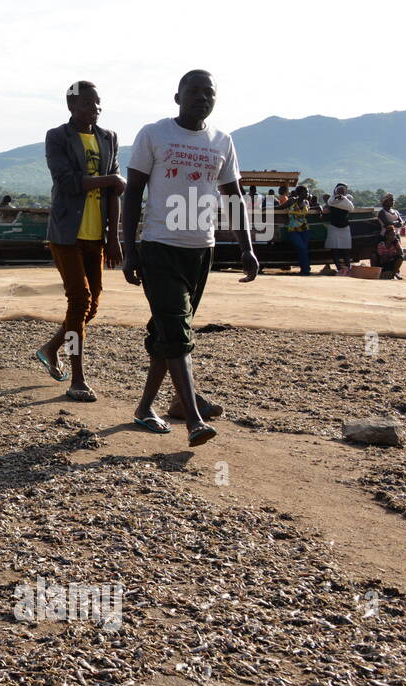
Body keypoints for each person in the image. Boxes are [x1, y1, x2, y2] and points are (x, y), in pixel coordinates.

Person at [122, 70, 259, 446]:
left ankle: (145, 408)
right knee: (178, 332)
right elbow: (132, 193)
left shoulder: (222, 140)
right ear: (177, 96)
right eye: (193, 91)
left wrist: (246, 245)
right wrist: (128, 248)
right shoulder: (154, 134)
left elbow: (233, 197)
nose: (202, 97)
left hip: (202, 250)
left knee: (167, 333)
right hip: (159, 246)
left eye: (208, 92)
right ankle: (194, 419)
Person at [36, 81, 125, 402]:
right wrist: (111, 179)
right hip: (66, 234)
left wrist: (114, 238)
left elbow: (115, 193)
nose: (96, 108)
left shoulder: (108, 138)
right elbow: (67, 181)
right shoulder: (57, 137)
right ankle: (77, 377)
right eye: (88, 103)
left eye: (99, 103)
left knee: (92, 305)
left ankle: (50, 347)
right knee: (80, 302)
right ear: (72, 106)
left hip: (96, 237)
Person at [279, 185, 312, 275]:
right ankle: (306, 269)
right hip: (293, 230)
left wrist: (319, 208)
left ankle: (305, 270)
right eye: (305, 191)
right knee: (302, 248)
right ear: (299, 193)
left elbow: (310, 210)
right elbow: (279, 207)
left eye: (307, 192)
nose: (307, 193)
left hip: (305, 230)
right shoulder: (292, 200)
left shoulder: (306, 202)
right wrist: (265, 209)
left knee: (303, 249)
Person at [324, 184, 355, 275]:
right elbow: (330, 204)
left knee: (345, 250)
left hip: (345, 227)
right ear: (336, 191)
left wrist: (343, 199)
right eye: (339, 190)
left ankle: (348, 268)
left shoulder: (347, 200)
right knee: (334, 249)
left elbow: (351, 208)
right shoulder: (332, 199)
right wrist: (338, 199)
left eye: (342, 191)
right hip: (334, 227)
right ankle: (339, 269)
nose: (341, 192)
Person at [375, 194, 405, 279]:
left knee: (398, 253)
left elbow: (401, 222)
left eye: (393, 200)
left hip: (396, 235)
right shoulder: (382, 212)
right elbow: (387, 223)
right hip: (385, 236)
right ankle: (382, 270)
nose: (392, 202)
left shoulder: (395, 211)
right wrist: (396, 223)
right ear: (384, 202)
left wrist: (397, 223)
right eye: (390, 200)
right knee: (383, 254)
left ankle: (396, 272)